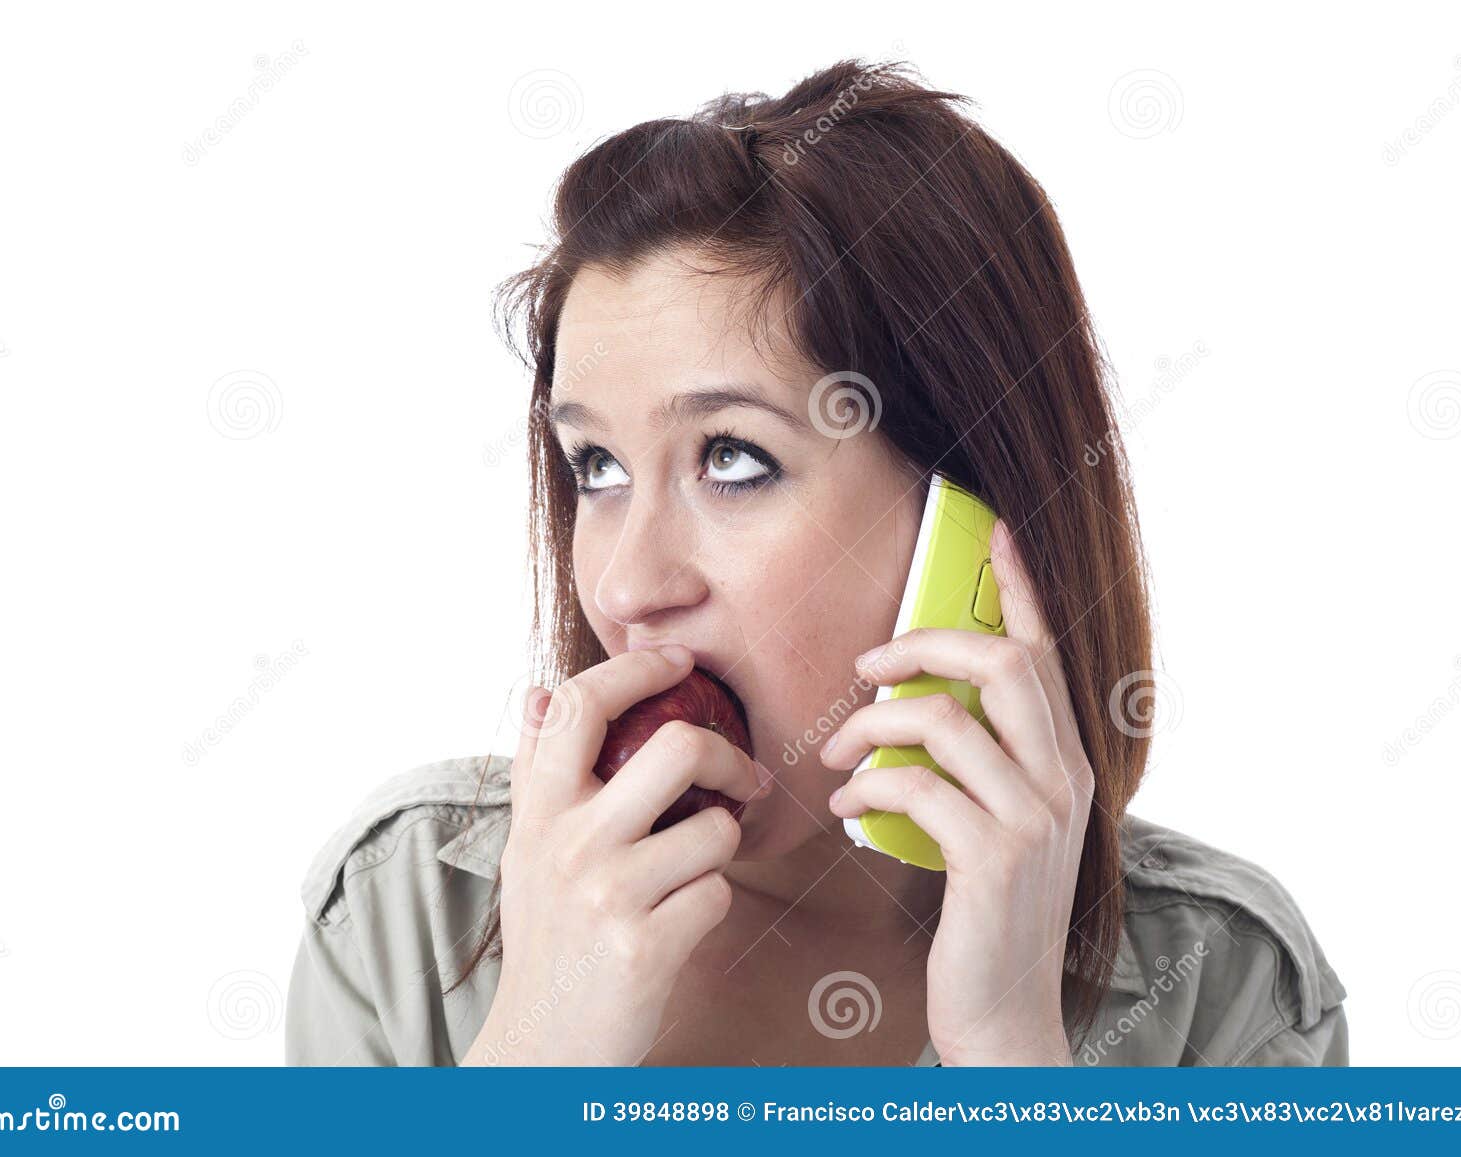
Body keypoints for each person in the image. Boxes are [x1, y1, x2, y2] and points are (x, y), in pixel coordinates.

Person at [285, 60, 1346, 1067]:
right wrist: (532, 1065)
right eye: (595, 465)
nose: (625, 588)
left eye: (733, 458)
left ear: (972, 527)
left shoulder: (1226, 987)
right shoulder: (406, 909)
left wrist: (1009, 1055)